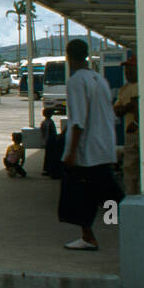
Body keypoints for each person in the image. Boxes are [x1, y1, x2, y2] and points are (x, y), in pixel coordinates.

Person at [58, 39, 121, 251]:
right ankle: (114, 223)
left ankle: (88, 236)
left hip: (87, 150)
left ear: (68, 56)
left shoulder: (76, 81)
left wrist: (71, 152)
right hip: (105, 145)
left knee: (79, 196)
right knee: (107, 191)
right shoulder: (99, 79)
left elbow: (78, 120)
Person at [112, 55, 144, 195]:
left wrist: (137, 121)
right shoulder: (125, 89)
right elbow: (117, 109)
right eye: (126, 70)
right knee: (129, 169)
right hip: (131, 135)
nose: (127, 73)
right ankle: (131, 197)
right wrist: (130, 107)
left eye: (130, 70)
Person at [39, 106, 64, 178]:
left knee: (47, 156)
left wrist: (43, 141)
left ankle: (46, 169)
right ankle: (49, 170)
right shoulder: (50, 122)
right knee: (51, 156)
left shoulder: (43, 122)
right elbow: (52, 133)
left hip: (46, 141)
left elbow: (42, 132)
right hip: (50, 141)